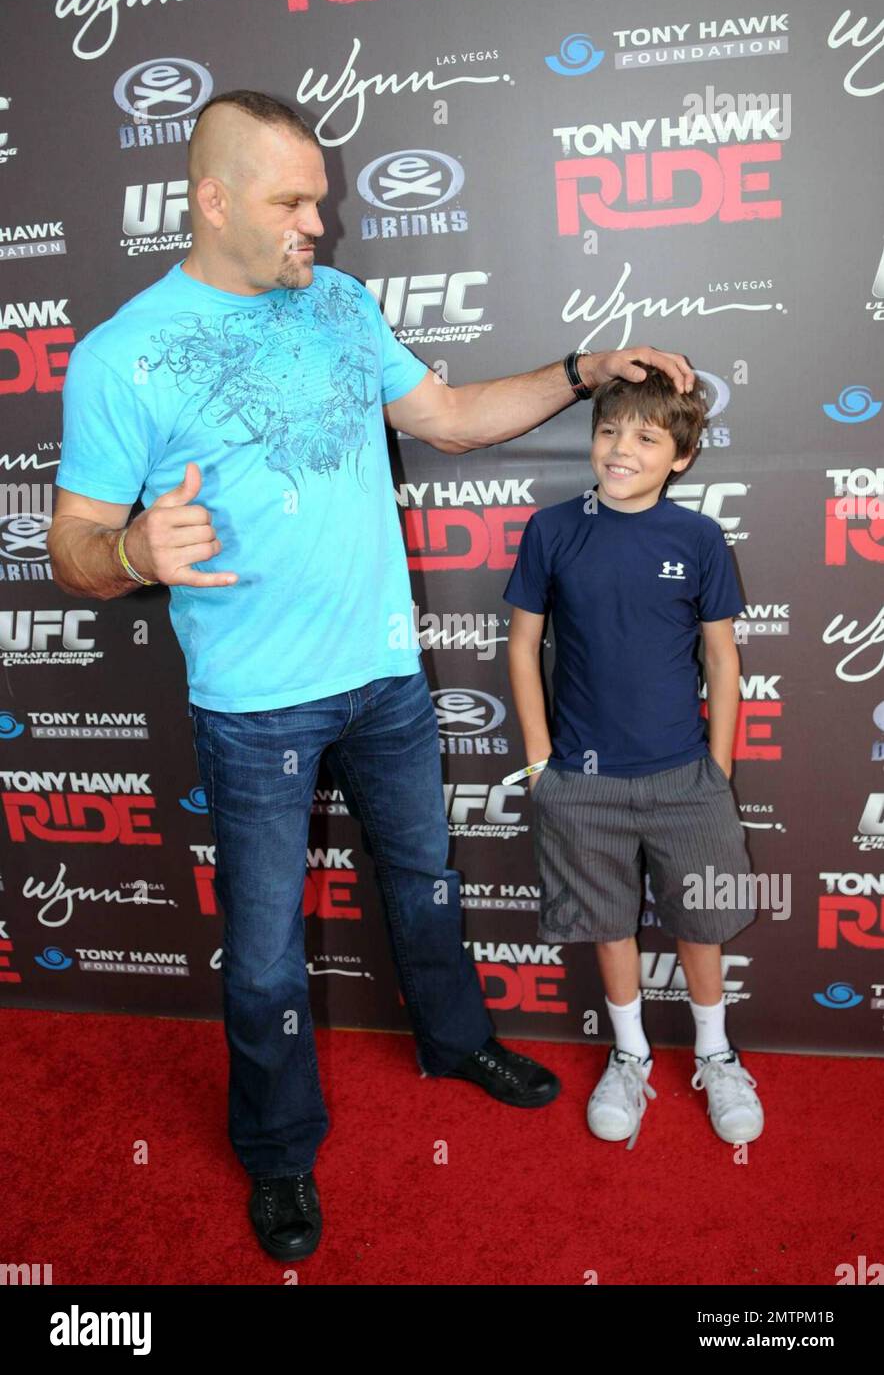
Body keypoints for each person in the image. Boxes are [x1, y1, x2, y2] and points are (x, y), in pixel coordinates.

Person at [47, 88, 696, 1262]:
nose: (319, 225)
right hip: (254, 708)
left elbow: (446, 416)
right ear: (213, 200)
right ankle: (280, 1145)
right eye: (294, 203)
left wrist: (580, 367)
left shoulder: (339, 305)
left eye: (325, 201)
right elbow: (72, 542)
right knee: (261, 951)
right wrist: (134, 551)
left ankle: (452, 1039)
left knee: (426, 881)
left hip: (387, 682)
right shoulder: (121, 354)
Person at [504, 362, 764, 1153]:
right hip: (581, 784)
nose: (622, 449)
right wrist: (541, 761)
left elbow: (721, 659)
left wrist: (715, 768)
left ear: (679, 457)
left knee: (702, 923)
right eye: (609, 431)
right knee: (608, 924)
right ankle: (630, 1055)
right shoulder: (553, 531)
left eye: (646, 438)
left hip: (687, 780)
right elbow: (523, 647)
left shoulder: (699, 538)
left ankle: (716, 1055)